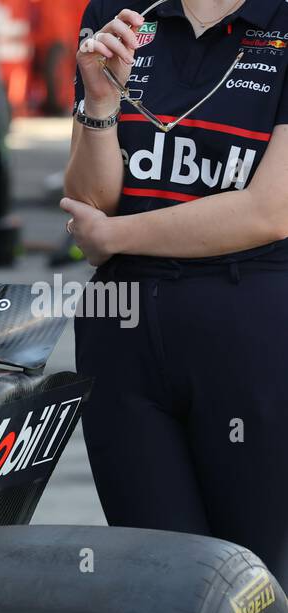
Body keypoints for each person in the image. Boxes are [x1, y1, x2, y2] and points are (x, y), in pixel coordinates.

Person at [63, 0, 288, 581]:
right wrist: (99, 102)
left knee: (258, 583)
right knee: (160, 585)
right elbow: (90, 202)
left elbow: (269, 211)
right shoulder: (118, 12)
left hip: (254, 329)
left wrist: (118, 235)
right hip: (123, 334)